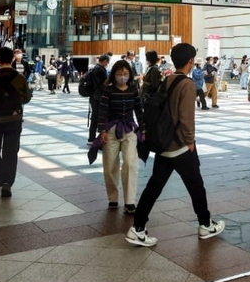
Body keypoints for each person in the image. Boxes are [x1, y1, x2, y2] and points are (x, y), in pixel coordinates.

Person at [126, 43, 225, 247]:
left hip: (164, 145)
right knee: (196, 186)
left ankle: (137, 228)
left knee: (154, 187)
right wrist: (190, 142)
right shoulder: (187, 85)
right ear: (190, 62)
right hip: (180, 147)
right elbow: (186, 117)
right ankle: (205, 224)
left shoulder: (168, 79)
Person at [0, 47, 32, 198]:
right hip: (14, 120)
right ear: (13, 59)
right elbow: (27, 98)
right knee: (11, 151)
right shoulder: (20, 78)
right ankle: (8, 184)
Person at [97, 60, 144, 213]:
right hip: (111, 130)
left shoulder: (133, 89)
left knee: (131, 163)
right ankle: (113, 198)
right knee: (110, 165)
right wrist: (102, 130)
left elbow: (139, 109)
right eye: (119, 74)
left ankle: (130, 201)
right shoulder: (108, 91)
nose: (122, 76)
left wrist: (143, 128)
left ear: (129, 74)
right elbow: (102, 110)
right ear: (113, 75)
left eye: (125, 73)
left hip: (129, 129)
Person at [87, 55, 111, 143]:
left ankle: (92, 137)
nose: (107, 64)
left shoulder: (94, 68)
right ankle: (94, 138)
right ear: (104, 61)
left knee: (95, 117)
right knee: (98, 117)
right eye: (107, 62)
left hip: (93, 96)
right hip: (98, 97)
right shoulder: (100, 70)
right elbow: (103, 84)